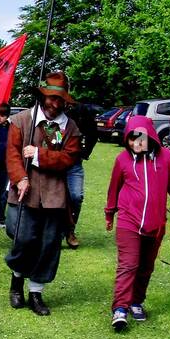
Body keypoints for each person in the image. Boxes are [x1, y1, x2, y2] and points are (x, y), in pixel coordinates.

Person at [3, 72, 82, 316]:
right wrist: (20, 177)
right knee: (24, 240)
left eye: (60, 101)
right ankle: (16, 282)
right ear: (42, 96)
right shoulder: (20, 121)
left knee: (48, 245)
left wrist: (38, 155)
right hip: (25, 192)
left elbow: (69, 158)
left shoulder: (70, 128)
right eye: (51, 99)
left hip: (54, 195)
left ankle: (36, 293)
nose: (55, 105)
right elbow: (13, 154)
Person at [104, 115, 170, 332]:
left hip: (156, 224)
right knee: (129, 264)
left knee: (145, 266)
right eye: (131, 139)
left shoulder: (166, 158)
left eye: (140, 138)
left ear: (150, 137)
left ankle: (136, 302)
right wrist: (110, 214)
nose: (135, 143)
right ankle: (120, 309)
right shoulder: (122, 160)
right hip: (128, 220)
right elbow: (114, 188)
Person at [65, 98, 102, 249]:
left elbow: (93, 136)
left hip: (75, 164)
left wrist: (85, 152)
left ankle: (70, 231)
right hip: (57, 163)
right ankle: (51, 232)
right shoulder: (62, 117)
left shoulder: (86, 117)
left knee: (76, 196)